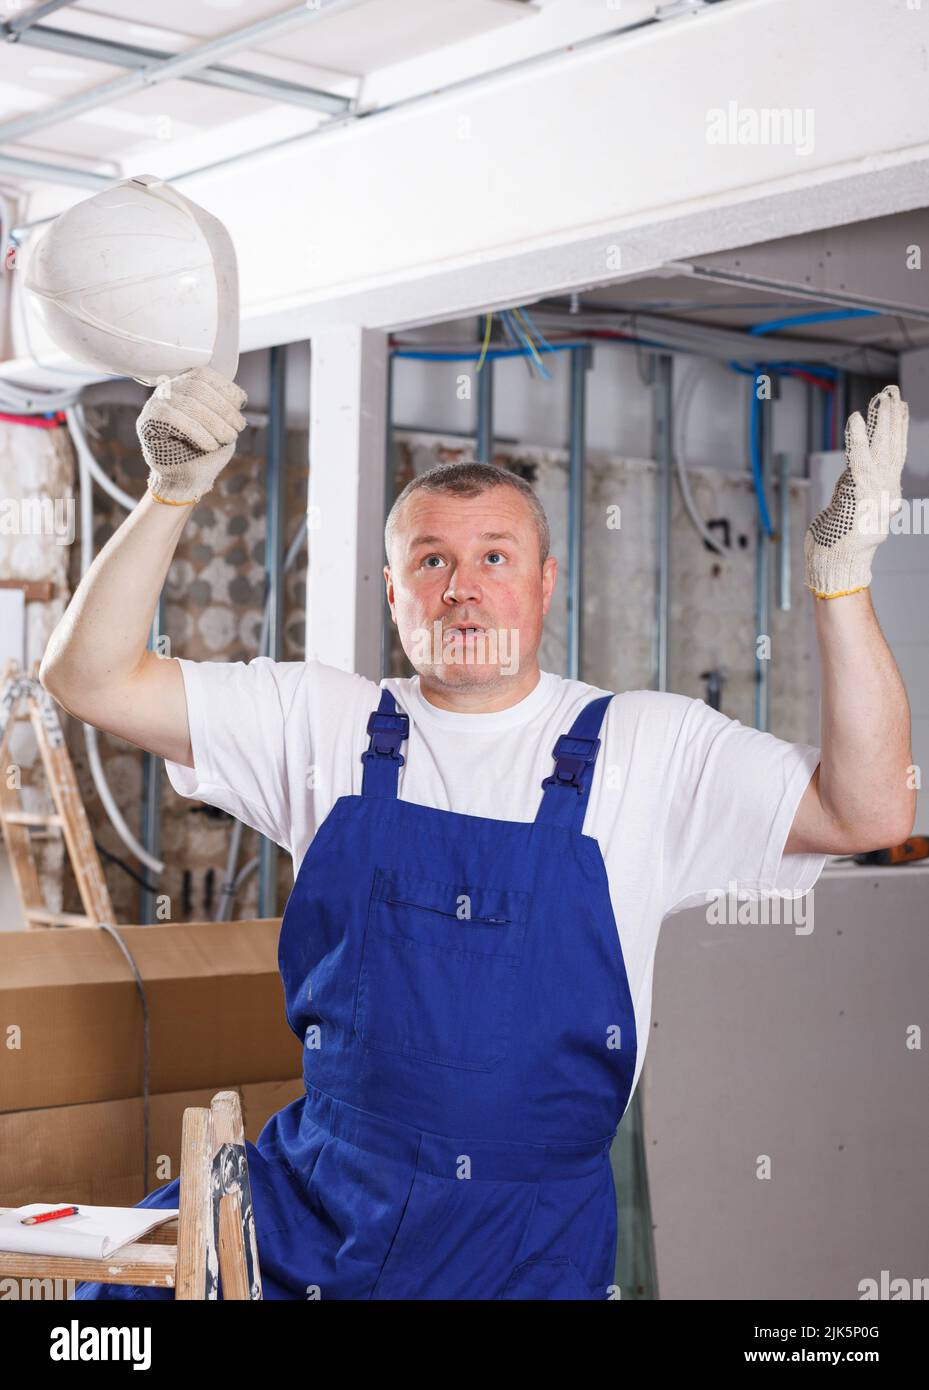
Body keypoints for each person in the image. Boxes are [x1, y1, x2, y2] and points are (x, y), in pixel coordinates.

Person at [40, 369, 914, 1300]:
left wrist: (841, 587)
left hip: (524, 1245)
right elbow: (89, 678)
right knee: (107, 1317)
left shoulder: (648, 745)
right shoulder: (321, 721)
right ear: (392, 591)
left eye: (494, 557)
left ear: (543, 584)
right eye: (430, 561)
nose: (462, 589)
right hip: (320, 1209)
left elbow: (869, 810)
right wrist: (170, 493)